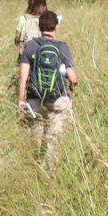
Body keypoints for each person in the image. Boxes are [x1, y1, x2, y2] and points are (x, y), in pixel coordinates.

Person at [17, 10, 77, 154]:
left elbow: (23, 77)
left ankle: (36, 164)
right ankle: (50, 166)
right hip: (58, 97)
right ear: (56, 26)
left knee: (36, 140)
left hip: (34, 97)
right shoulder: (62, 47)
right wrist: (72, 86)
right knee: (54, 140)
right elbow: (72, 78)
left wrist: (21, 99)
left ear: (39, 26)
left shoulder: (30, 46)